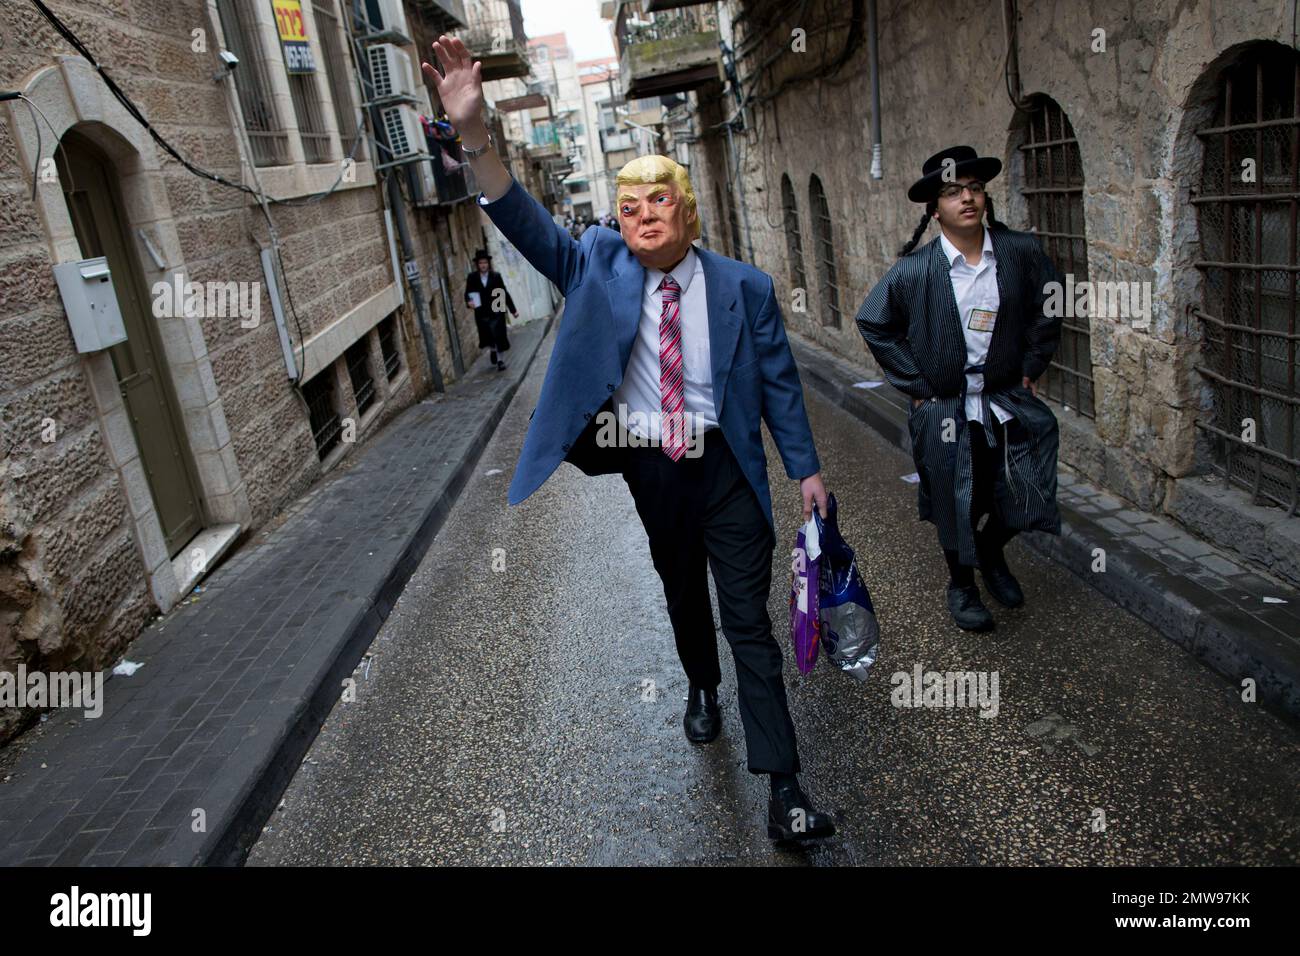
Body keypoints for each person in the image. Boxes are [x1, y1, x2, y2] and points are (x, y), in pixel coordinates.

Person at [423, 34, 835, 842]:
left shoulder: (744, 289)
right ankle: (700, 685)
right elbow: (525, 222)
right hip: (654, 469)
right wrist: (476, 137)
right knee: (686, 597)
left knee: (746, 616)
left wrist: (808, 469)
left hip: (726, 468)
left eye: (660, 203)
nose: (643, 218)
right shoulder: (597, 266)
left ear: (690, 212)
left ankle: (784, 788)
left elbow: (780, 385)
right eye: (629, 206)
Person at [856, 145, 1065, 632]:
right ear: (935, 209)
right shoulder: (914, 271)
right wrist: (917, 383)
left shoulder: (1019, 253)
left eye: (974, 188)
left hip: (1005, 397)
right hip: (945, 405)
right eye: (953, 192)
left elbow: (1048, 306)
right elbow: (873, 323)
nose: (967, 198)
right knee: (956, 497)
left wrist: (1033, 362)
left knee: (1020, 484)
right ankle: (963, 584)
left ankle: (992, 552)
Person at [464, 248, 517, 371]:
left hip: (496, 309)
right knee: (488, 336)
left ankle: (500, 361)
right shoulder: (472, 278)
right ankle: (493, 350)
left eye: (485, 263)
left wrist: (513, 310)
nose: (483, 265)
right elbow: (467, 293)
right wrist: (469, 302)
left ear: (488, 264)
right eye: (481, 263)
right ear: (477, 265)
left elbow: (503, 292)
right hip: (481, 312)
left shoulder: (496, 276)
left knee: (499, 336)